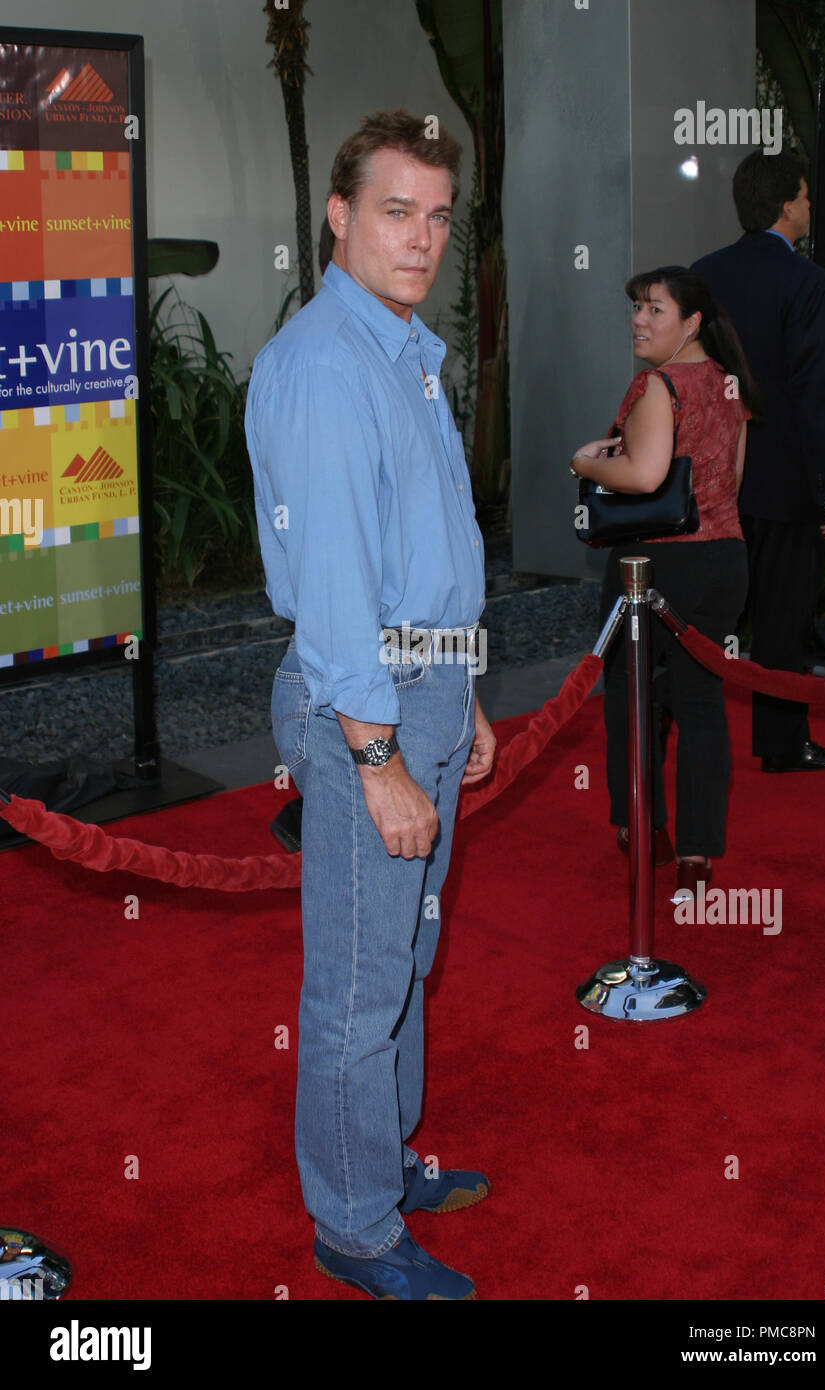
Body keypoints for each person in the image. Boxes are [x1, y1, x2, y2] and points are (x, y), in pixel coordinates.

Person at [245, 109, 496, 1301]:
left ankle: (379, 1162)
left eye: (439, 216)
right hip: (367, 708)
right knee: (353, 984)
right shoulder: (324, 368)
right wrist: (380, 752)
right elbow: (339, 589)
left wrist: (466, 688)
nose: (422, 238)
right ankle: (349, 1226)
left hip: (427, 684)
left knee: (406, 957)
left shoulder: (405, 348)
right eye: (396, 211)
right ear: (338, 216)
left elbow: (424, 550)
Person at [571, 266, 759, 899]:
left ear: (692, 321)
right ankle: (698, 855)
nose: (639, 321)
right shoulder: (729, 385)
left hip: (654, 565)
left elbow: (647, 476)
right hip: (726, 559)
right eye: (636, 309)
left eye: (654, 309)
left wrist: (587, 460)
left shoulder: (659, 384)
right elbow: (730, 482)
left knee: (631, 698)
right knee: (702, 703)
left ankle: (643, 831)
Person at [692, 150, 825, 773]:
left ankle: (675, 736)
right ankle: (782, 745)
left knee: (703, 618)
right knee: (783, 618)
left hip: (716, 478)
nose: (811, 206)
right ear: (787, 206)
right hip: (786, 478)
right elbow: (814, 393)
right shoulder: (806, 282)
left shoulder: (703, 274)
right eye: (808, 197)